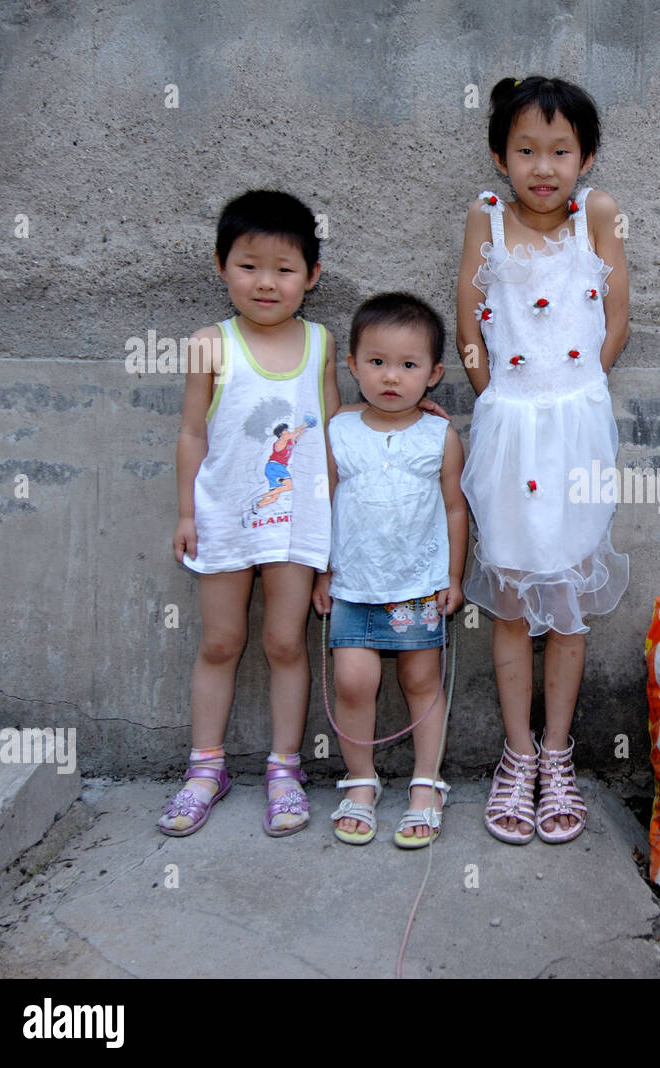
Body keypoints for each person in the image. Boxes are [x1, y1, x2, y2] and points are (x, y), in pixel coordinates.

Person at [456, 76, 630, 845]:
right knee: (511, 598)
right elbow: (469, 309)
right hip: (509, 429)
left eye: (560, 151)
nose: (543, 166)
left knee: (568, 600)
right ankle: (515, 755)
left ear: (585, 158)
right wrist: (493, 393)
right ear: (500, 156)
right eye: (526, 149)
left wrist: (583, 385)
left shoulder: (596, 214)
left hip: (577, 430)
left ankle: (557, 752)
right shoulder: (484, 219)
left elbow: (616, 312)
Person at [160, 190, 337, 837]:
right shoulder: (210, 344)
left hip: (296, 523)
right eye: (249, 265)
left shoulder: (321, 343)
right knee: (220, 641)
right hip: (224, 518)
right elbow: (190, 434)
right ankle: (205, 768)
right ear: (220, 265)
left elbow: (329, 436)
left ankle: (285, 769)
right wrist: (186, 513)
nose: (267, 282)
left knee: (286, 642)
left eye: (285, 268)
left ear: (312, 277)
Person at [312, 293, 466, 847]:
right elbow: (324, 504)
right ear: (352, 366)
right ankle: (360, 781)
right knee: (354, 680)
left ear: (434, 374)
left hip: (419, 585)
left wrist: (453, 576)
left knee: (420, 680)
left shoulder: (439, 436)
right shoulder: (339, 432)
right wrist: (323, 572)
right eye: (376, 362)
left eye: (409, 365)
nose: (392, 377)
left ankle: (426, 783)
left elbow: (454, 508)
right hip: (353, 581)